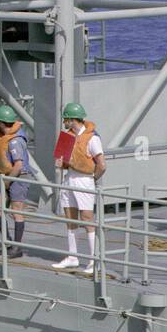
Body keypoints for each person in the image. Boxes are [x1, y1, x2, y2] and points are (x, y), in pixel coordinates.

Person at [52, 102, 106, 274]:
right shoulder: (67, 136)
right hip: (70, 178)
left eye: (65, 119)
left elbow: (101, 164)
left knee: (87, 218)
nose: (64, 123)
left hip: (84, 179)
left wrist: (92, 178)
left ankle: (93, 259)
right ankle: (72, 256)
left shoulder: (92, 138)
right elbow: (62, 160)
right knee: (70, 217)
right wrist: (61, 164)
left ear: (72, 119)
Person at [0, 105, 30, 259]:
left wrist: (7, 182)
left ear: (1, 122)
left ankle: (17, 247)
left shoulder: (15, 141)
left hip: (18, 178)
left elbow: (18, 165)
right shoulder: (3, 137)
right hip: (5, 176)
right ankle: (7, 242)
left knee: (16, 212)